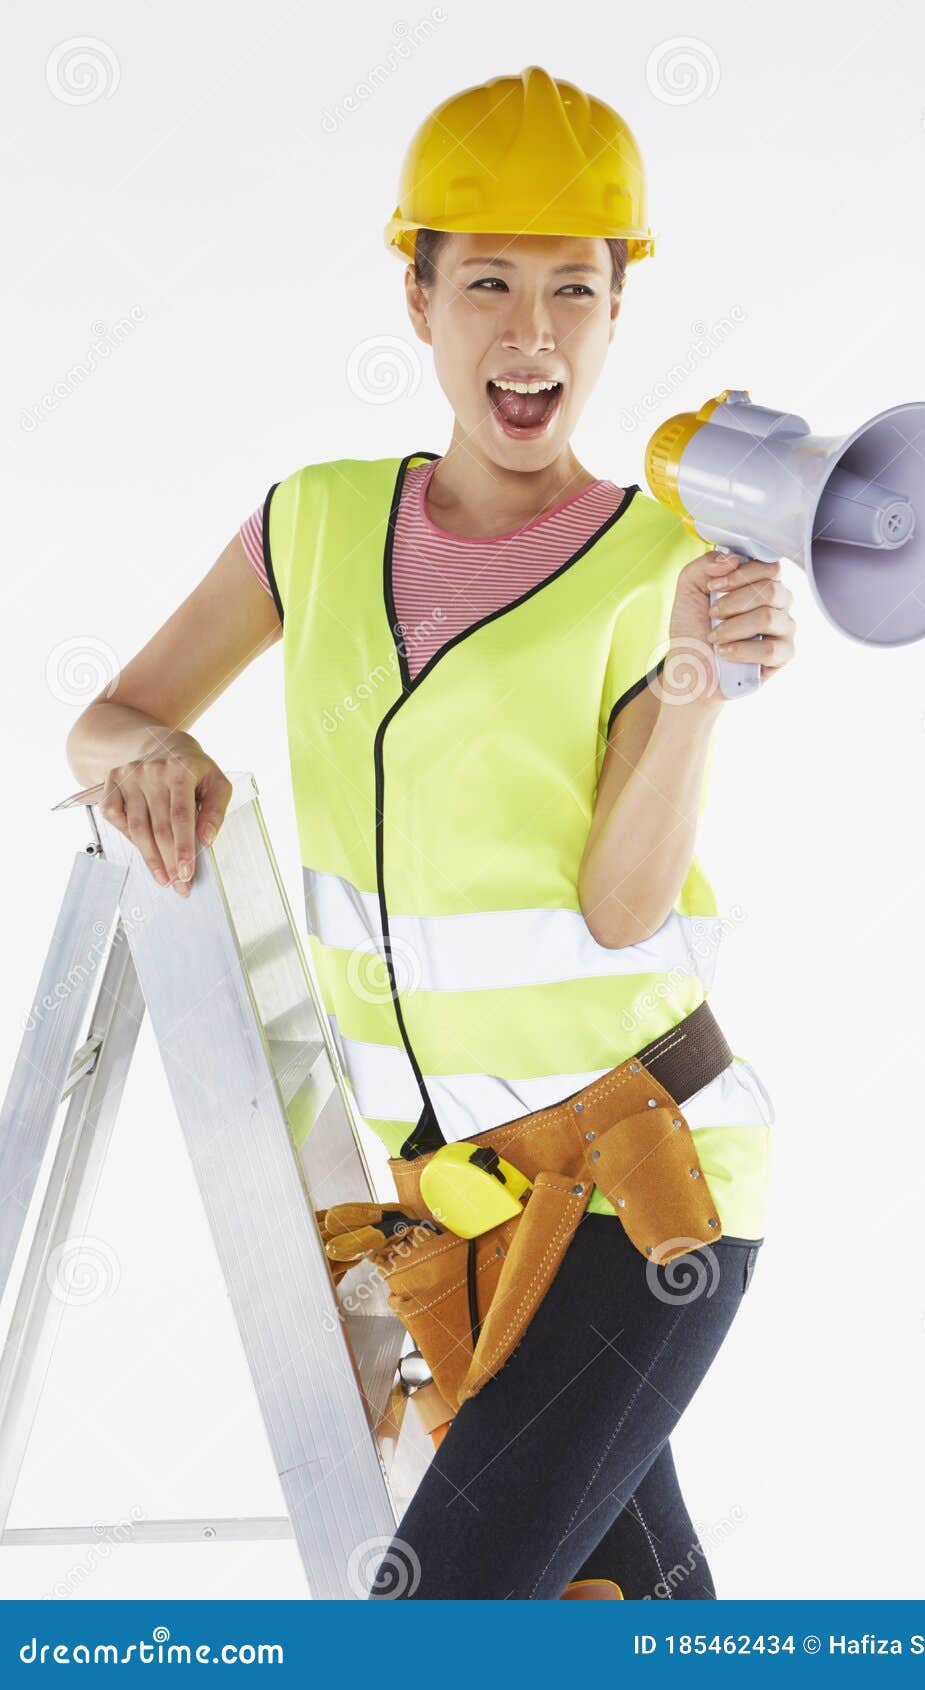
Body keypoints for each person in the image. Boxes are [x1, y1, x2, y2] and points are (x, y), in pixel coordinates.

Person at [65, 66, 795, 1600]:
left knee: (440, 1619)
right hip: (463, 1212)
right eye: (487, 284)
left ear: (613, 315)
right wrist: (147, 761)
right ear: (418, 297)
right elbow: (115, 713)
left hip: (643, 1179)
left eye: (573, 292)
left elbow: (620, 907)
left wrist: (694, 689)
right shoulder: (312, 525)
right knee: (634, 1621)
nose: (530, 332)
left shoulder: (665, 557)